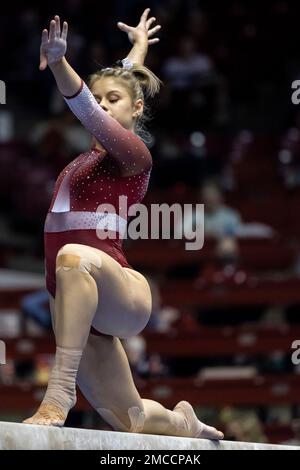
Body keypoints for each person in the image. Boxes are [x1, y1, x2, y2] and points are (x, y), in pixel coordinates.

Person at [23, 9, 223, 440]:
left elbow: (94, 112)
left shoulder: (135, 158)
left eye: (113, 100)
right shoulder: (82, 163)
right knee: (129, 419)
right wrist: (138, 50)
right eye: (100, 99)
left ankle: (58, 394)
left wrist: (59, 62)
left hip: (119, 292)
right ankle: (181, 421)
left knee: (73, 257)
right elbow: (111, 90)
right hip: (75, 300)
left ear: (137, 108)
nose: (102, 106)